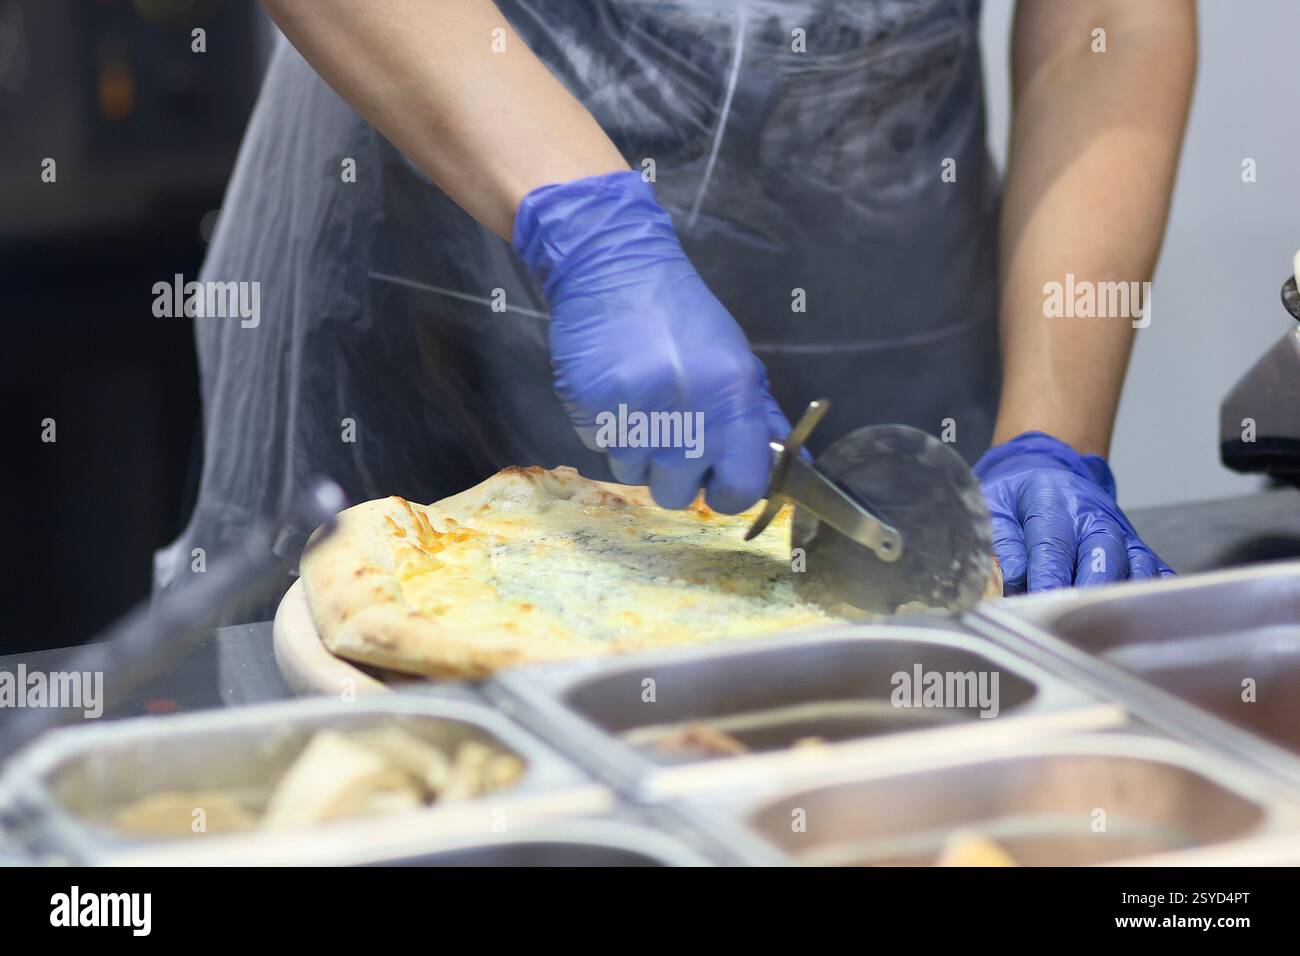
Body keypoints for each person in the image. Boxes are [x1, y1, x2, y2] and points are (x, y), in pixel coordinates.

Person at [154, 0, 1195, 622]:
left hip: (877, 289)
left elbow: (1108, 24)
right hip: (434, 273)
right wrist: (587, 226)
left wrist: (1053, 430)